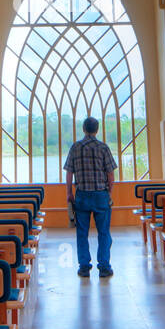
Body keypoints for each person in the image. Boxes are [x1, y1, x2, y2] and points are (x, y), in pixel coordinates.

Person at [64, 117, 117, 278]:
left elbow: (69, 173)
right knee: (103, 232)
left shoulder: (75, 147)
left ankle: (84, 267)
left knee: (82, 232)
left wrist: (69, 193)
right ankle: (104, 267)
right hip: (101, 194)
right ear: (97, 129)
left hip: (82, 195)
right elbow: (110, 174)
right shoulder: (103, 147)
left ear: (83, 129)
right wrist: (109, 192)